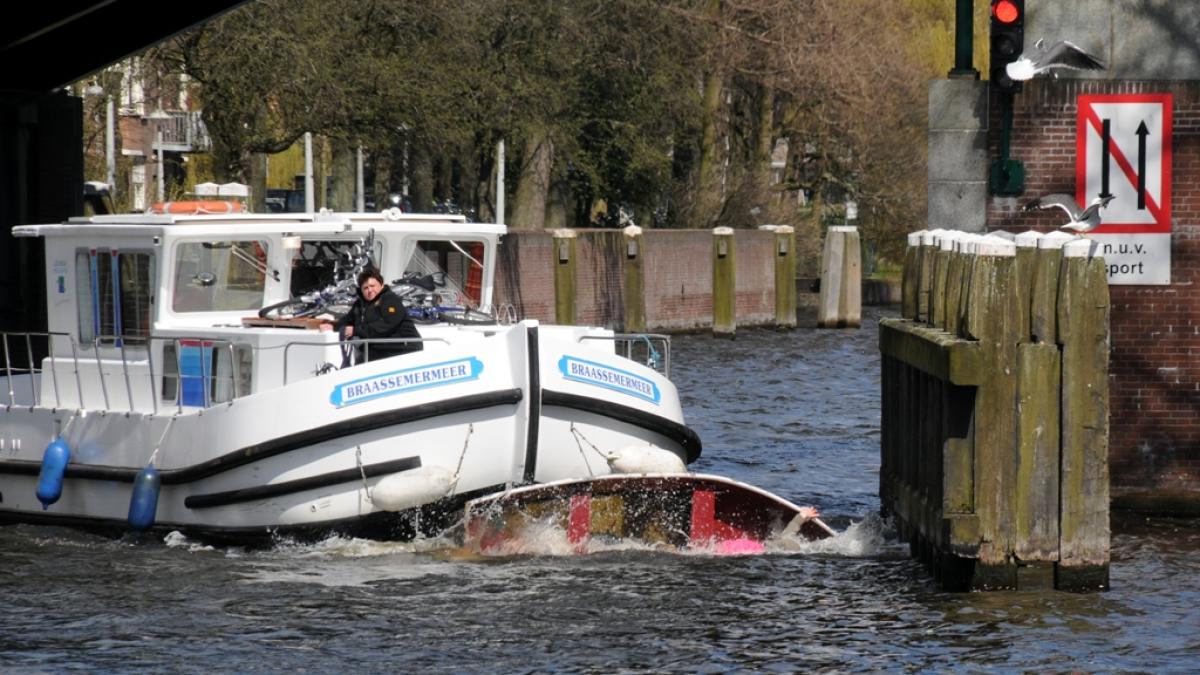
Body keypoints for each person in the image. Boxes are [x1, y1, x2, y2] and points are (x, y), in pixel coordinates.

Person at [320, 269, 422, 361]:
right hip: (378, 349)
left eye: (372, 286)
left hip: (403, 349)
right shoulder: (360, 304)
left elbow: (386, 325)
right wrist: (333, 326)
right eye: (365, 288)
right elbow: (348, 319)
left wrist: (356, 331)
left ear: (381, 285)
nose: (369, 290)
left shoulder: (390, 299)